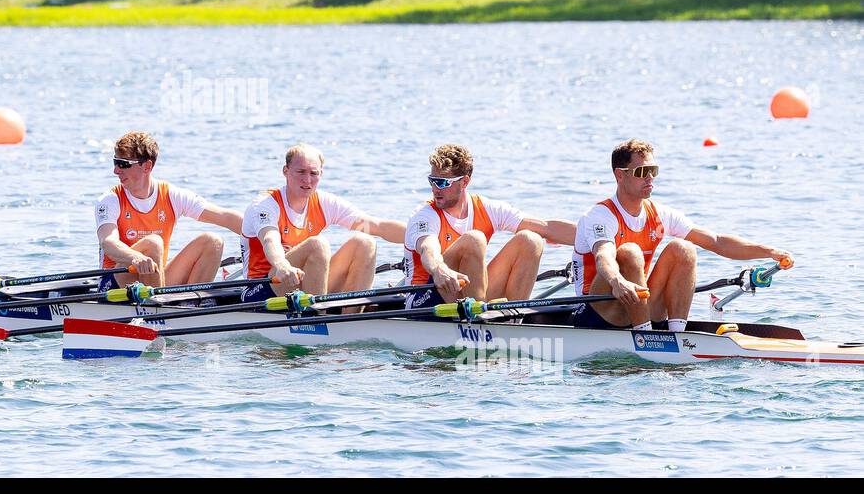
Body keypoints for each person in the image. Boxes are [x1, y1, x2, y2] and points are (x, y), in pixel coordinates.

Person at [570, 138, 794, 331]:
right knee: (629, 252)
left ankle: (676, 335)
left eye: (653, 171)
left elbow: (717, 242)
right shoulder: (600, 215)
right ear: (620, 175)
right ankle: (646, 337)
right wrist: (617, 280)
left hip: (639, 304)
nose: (650, 178)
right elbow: (603, 257)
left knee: (684, 248)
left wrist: (769, 251)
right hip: (599, 309)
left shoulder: (658, 213)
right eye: (642, 172)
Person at [404, 144, 575, 309]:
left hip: (465, 295)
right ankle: (479, 322)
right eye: (432, 181)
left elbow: (546, 228)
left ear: (464, 182)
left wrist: (597, 240)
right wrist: (438, 269)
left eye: (442, 183)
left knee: (531, 240)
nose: (435, 189)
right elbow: (428, 249)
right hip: (424, 298)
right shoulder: (425, 215)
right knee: (474, 239)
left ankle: (512, 319)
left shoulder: (486, 208)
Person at [240, 144, 405, 301]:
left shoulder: (324, 203)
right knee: (318, 245)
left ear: (321, 174)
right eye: (301, 172)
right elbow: (269, 239)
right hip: (263, 288)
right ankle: (318, 317)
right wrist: (281, 264)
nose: (307, 180)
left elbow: (377, 226)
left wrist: (422, 238)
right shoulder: (265, 204)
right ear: (285, 171)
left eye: (313, 173)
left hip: (301, 284)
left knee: (365, 243)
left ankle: (350, 319)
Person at [95, 131, 243, 289]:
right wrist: (135, 257)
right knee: (153, 243)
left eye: (123, 164)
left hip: (153, 279)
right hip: (115, 284)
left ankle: (191, 302)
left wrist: (266, 237)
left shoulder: (171, 195)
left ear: (147, 166)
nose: (116, 171)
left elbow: (226, 217)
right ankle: (157, 305)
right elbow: (108, 243)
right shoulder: (110, 200)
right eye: (115, 162)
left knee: (213, 241)